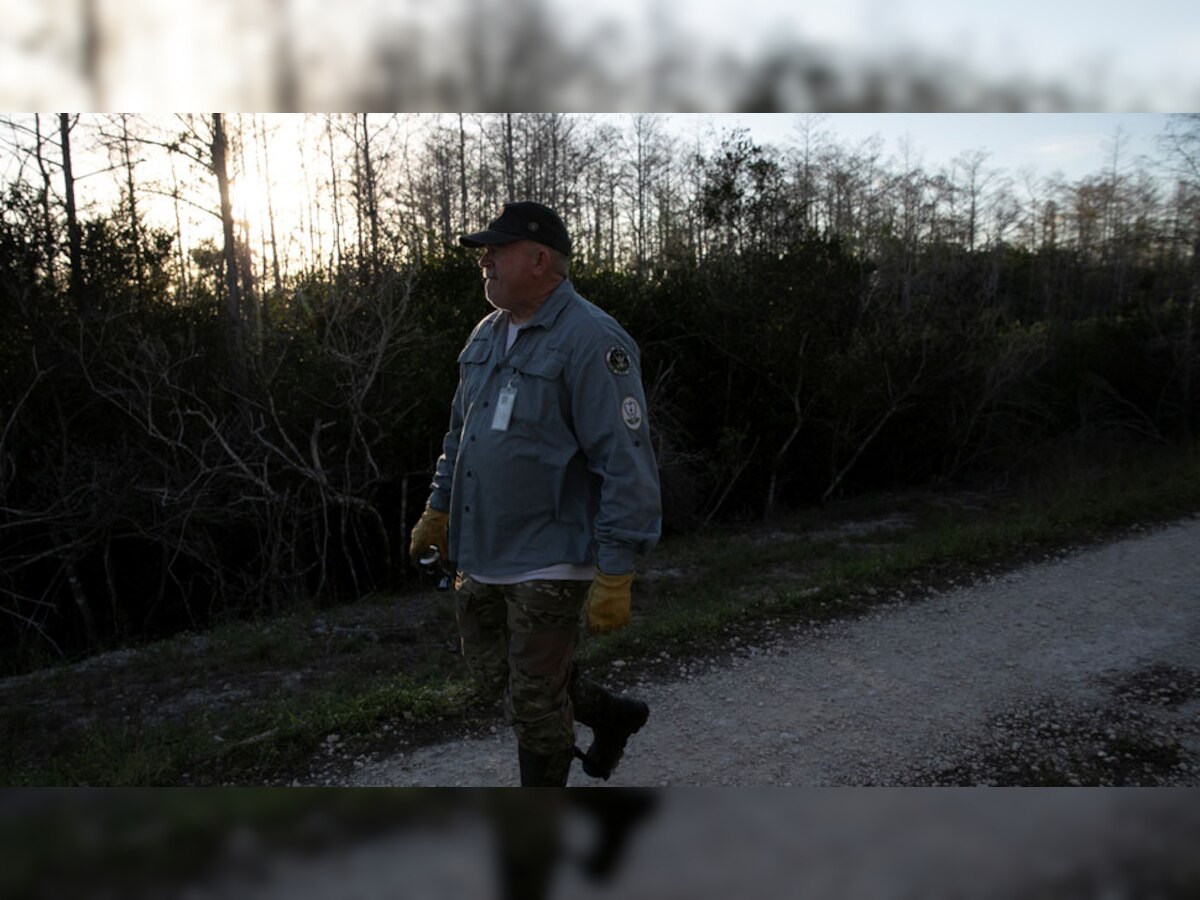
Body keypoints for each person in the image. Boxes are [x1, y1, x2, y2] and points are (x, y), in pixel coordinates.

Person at [409, 201, 662, 786]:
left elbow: (624, 459)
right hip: (482, 549)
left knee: (533, 708)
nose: (486, 263)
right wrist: (438, 508)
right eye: (485, 253)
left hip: (552, 557)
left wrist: (616, 567)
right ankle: (613, 716)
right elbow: (460, 434)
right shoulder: (487, 334)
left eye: (497, 251)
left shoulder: (592, 339)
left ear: (540, 260)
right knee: (496, 674)